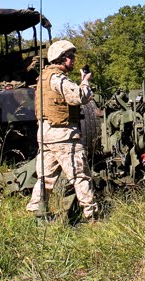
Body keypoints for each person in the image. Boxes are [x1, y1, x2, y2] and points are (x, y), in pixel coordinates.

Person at [26, 40, 98, 221]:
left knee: (45, 178)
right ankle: (91, 216)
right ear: (62, 58)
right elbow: (79, 97)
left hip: (45, 134)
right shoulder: (59, 78)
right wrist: (85, 82)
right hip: (63, 135)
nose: (73, 60)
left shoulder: (43, 77)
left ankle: (37, 212)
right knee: (80, 176)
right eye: (71, 57)